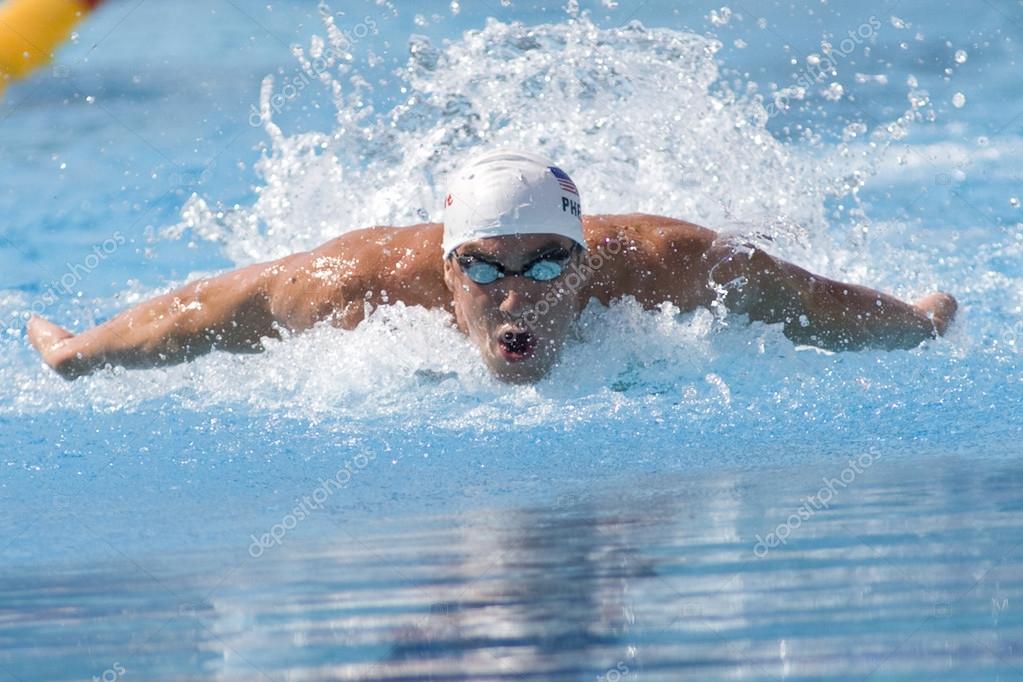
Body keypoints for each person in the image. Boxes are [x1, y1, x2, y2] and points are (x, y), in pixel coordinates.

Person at [28, 148, 957, 383]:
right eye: (484, 269)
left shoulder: (667, 265)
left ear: (588, 262)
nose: (518, 294)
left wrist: (914, 322)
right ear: (442, 273)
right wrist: (81, 352)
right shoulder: (352, 285)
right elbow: (204, 311)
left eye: (551, 265)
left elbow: (808, 302)